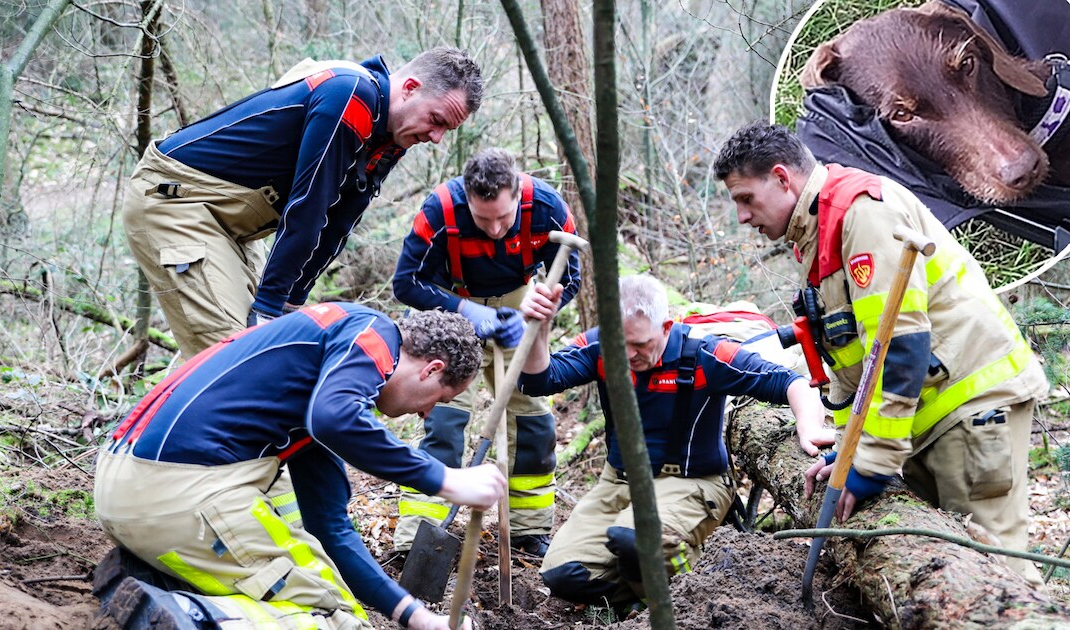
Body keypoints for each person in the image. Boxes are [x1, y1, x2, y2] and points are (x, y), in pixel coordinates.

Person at [713, 122, 1049, 583]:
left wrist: (871, 461)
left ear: (781, 178)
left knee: (991, 572)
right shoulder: (818, 228)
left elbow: (900, 349)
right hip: (926, 413)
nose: (742, 217)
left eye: (745, 199)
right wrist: (853, 444)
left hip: (971, 404)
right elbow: (859, 358)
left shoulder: (863, 213)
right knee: (936, 570)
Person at [92, 305, 506, 630]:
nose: (426, 413)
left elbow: (329, 527)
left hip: (127, 487)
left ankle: (158, 580)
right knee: (338, 618)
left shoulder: (319, 372)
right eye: (438, 398)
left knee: (314, 559)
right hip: (177, 495)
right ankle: (194, 616)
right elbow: (335, 417)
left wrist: (414, 616)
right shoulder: (371, 337)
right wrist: (444, 479)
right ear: (432, 369)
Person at [124, 47, 483, 359]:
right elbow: (310, 204)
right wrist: (269, 307)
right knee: (234, 358)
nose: (435, 138)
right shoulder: (352, 93)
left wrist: (292, 300)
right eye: (436, 121)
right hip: (177, 202)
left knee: (265, 347)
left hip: (231, 225)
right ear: (409, 89)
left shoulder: (391, 136)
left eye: (445, 131)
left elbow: (339, 222)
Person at [518, 274, 825, 605]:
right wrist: (539, 329)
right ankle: (642, 597)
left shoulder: (702, 353)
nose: (628, 355)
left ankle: (689, 598)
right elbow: (539, 381)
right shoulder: (601, 346)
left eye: (639, 345)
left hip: (693, 480)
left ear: (666, 327)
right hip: (620, 480)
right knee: (564, 575)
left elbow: (790, 382)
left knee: (637, 540)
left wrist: (809, 427)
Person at [390, 147, 581, 557]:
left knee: (531, 415)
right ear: (467, 198)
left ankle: (529, 531)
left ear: (516, 193)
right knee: (443, 415)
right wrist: (470, 312)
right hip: (450, 302)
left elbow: (572, 276)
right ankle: (419, 531)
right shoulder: (439, 211)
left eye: (503, 218)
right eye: (482, 219)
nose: (494, 229)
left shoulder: (547, 206)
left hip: (519, 300)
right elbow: (405, 283)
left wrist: (543, 307)